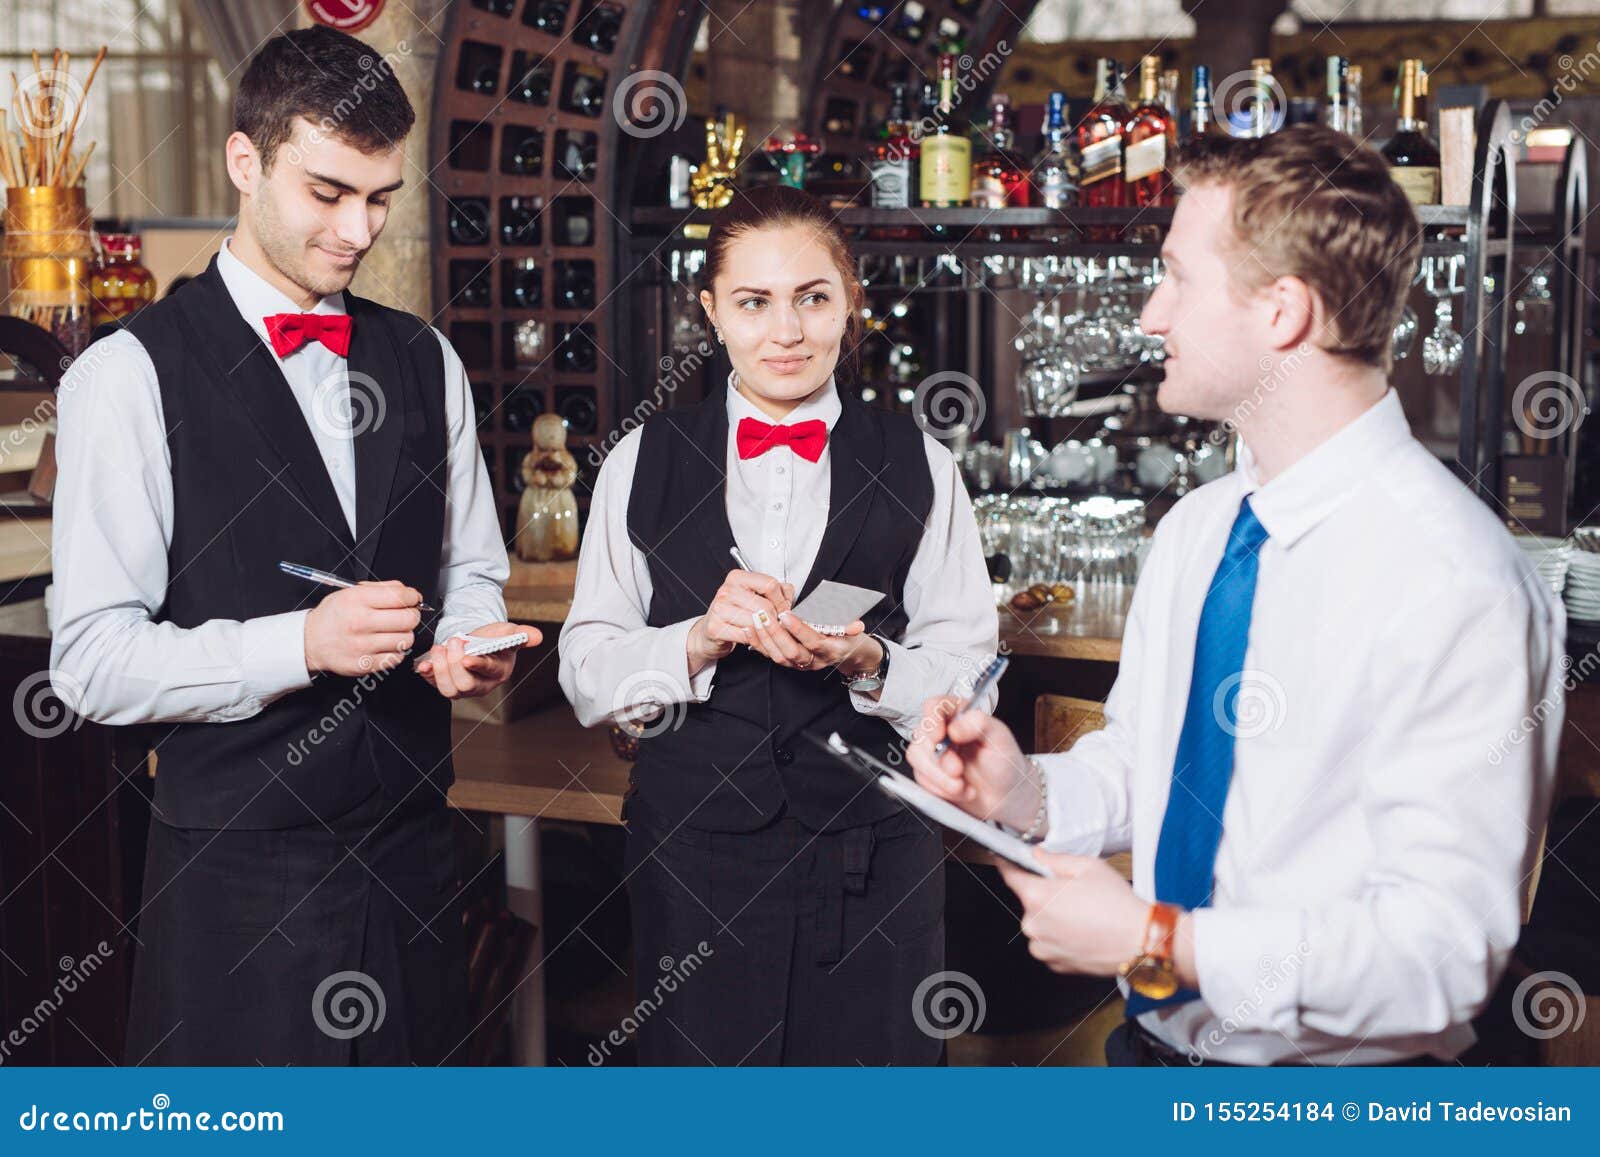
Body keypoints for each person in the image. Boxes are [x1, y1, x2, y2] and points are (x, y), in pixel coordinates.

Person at [908, 126, 1565, 1066]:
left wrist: (1159, 940)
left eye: (1176, 275)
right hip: (1153, 1054)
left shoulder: (1455, 580)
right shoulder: (1201, 530)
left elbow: (1441, 953)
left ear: (1283, 313)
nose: (1149, 313)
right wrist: (1027, 790)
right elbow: (1149, 765)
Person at [49, 27, 540, 1065]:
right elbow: (90, 664)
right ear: (245, 161)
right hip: (236, 888)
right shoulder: (127, 377)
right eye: (327, 192)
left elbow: (472, 569)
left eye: (381, 197)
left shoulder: (424, 358)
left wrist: (468, 639)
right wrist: (301, 642)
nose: (357, 229)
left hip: (416, 861)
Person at [559, 184, 998, 1065]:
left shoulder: (925, 463)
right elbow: (585, 672)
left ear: (850, 305)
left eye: (812, 298)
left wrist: (871, 661)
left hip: (873, 858)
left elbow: (972, 674)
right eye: (755, 302)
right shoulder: (640, 459)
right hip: (695, 864)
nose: (786, 331)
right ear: (713, 310)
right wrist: (694, 639)